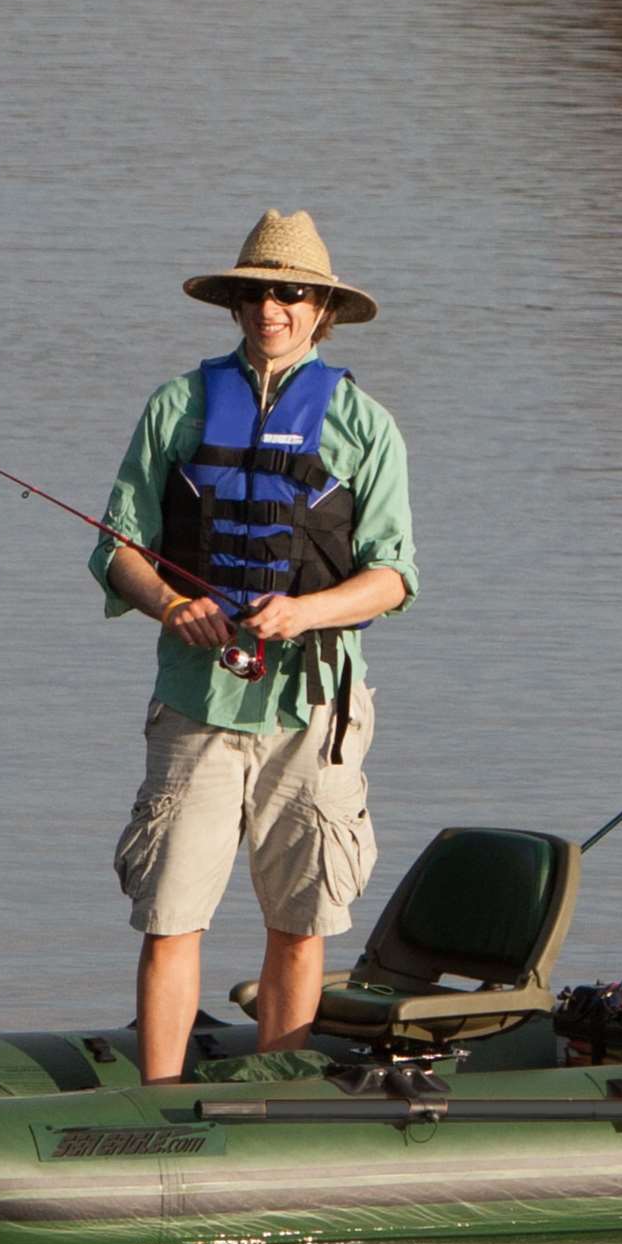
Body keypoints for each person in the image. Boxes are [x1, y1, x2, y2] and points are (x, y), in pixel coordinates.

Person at [89, 211, 419, 1085]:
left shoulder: (366, 425)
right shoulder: (176, 407)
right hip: (196, 702)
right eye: (258, 293)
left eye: (293, 293)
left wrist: (304, 614)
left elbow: (394, 577)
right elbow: (117, 550)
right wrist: (172, 606)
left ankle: (283, 1099)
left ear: (323, 310)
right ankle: (158, 1102)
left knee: (300, 925)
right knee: (171, 920)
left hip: (314, 710)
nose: (273, 308)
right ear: (235, 305)